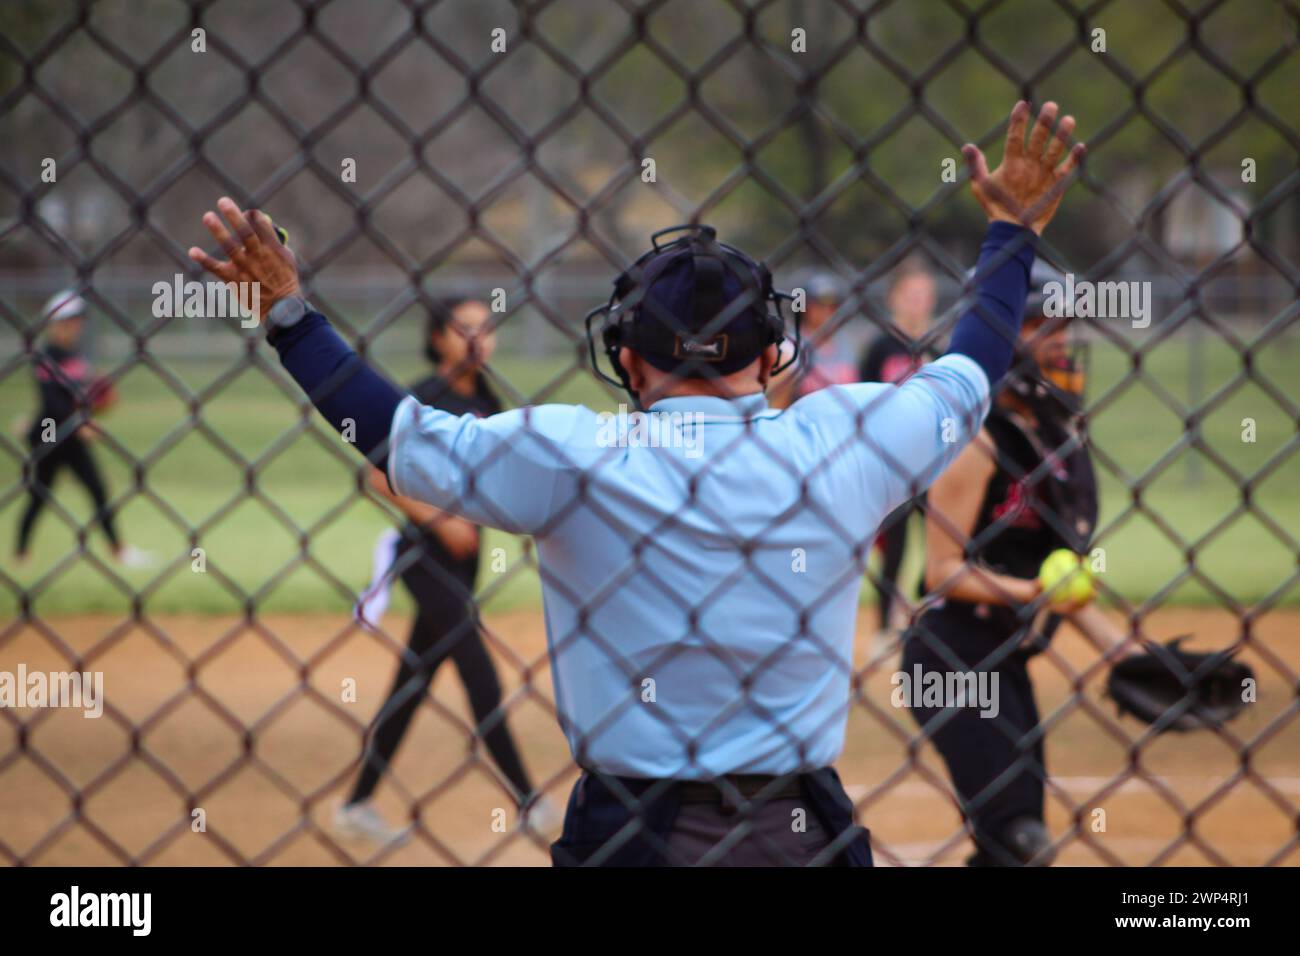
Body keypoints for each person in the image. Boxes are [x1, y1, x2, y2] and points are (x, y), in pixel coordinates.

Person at [189, 100, 1086, 866]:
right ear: (771, 354)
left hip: (631, 835)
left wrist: (291, 319)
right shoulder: (847, 438)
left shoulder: (573, 455)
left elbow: (391, 437)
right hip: (801, 831)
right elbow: (974, 366)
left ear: (625, 358)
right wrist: (1011, 233)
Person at [902, 262, 1133, 866]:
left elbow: (1060, 579)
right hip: (950, 656)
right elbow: (942, 571)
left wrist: (1129, 654)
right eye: (1040, 325)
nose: (1059, 340)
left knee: (1014, 840)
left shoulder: (1053, 440)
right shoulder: (978, 440)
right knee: (1017, 839)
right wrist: (1033, 592)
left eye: (1063, 326)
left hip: (1004, 659)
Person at [335, 296, 556, 844]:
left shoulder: (486, 399)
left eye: (486, 327)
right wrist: (441, 520)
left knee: (412, 683)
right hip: (423, 557)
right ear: (438, 338)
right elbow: (375, 474)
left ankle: (357, 804)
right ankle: (528, 801)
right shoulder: (423, 397)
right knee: (479, 672)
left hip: (464, 564)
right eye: (463, 328)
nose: (478, 338)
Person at [15, 290, 149, 568]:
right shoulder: (46, 356)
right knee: (40, 495)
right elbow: (52, 403)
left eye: (77, 321)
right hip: (49, 435)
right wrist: (80, 424)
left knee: (96, 489)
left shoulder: (75, 356)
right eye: (69, 321)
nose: (75, 326)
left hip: (71, 436)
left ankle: (119, 550)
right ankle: (20, 555)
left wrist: (99, 405)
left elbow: (81, 398)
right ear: (54, 323)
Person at [858, 258, 939, 639]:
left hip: (932, 461)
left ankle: (929, 614)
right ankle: (884, 627)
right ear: (894, 298)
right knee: (895, 547)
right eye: (911, 294)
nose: (918, 301)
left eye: (924, 295)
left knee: (943, 537)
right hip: (891, 461)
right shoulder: (880, 347)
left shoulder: (937, 348)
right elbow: (861, 402)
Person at [768, 270, 856, 408]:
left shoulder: (844, 343)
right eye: (818, 306)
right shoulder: (790, 346)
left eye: (832, 307)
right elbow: (777, 402)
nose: (826, 312)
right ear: (803, 308)